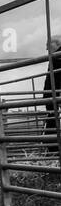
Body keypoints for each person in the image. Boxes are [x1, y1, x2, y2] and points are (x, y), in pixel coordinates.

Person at [45, 35, 61, 163]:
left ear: (56, 44)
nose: (46, 48)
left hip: (55, 99)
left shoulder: (57, 57)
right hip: (54, 98)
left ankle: (53, 153)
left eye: (48, 45)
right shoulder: (55, 57)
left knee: (53, 124)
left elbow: (54, 80)